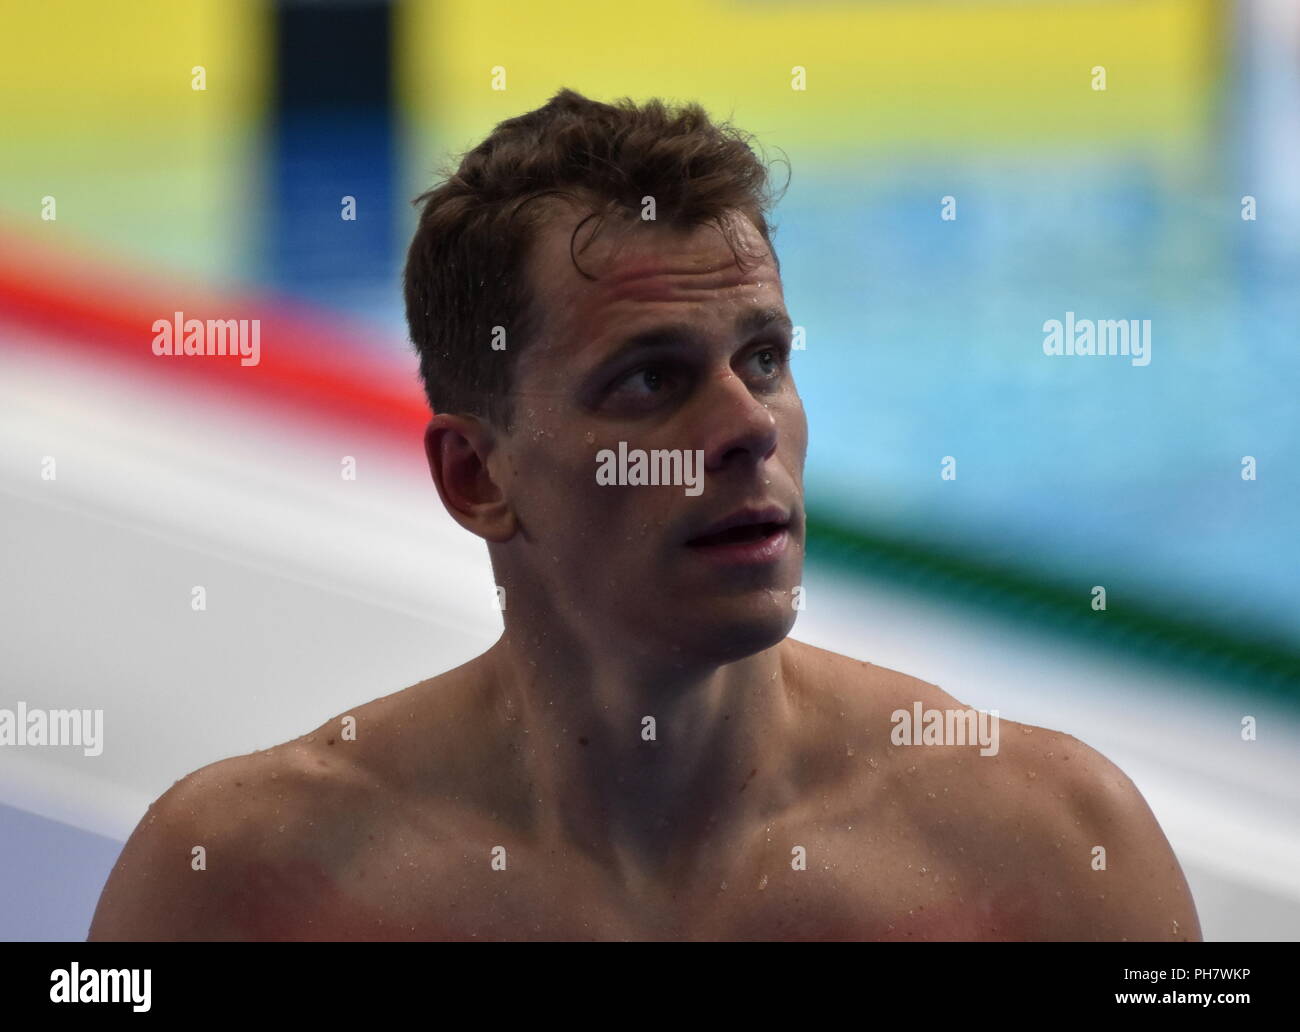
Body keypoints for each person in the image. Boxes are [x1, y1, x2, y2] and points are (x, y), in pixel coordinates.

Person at [88, 88, 1201, 941]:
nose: (745, 428)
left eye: (762, 361)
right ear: (479, 477)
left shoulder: (1058, 852)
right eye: (650, 380)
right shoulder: (240, 882)